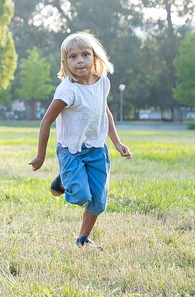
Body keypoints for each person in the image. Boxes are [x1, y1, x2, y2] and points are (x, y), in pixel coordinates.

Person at [29, 32, 132, 247]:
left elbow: (105, 113)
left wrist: (117, 142)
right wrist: (40, 155)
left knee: (98, 202)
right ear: (65, 62)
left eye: (85, 54)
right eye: (73, 57)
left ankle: (83, 239)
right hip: (71, 151)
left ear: (95, 57)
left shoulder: (102, 82)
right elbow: (46, 121)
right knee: (80, 195)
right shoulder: (68, 90)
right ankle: (63, 181)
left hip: (96, 150)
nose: (79, 61)